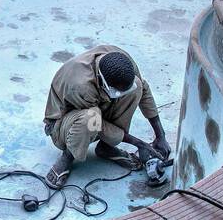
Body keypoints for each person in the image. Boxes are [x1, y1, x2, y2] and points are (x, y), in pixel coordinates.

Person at [44, 44, 170, 189]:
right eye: (116, 92)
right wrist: (139, 144)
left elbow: (144, 91)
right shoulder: (81, 86)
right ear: (103, 82)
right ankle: (67, 157)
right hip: (62, 125)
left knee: (137, 86)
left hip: (95, 108)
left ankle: (106, 148)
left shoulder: (122, 61)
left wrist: (161, 136)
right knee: (91, 117)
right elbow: (97, 125)